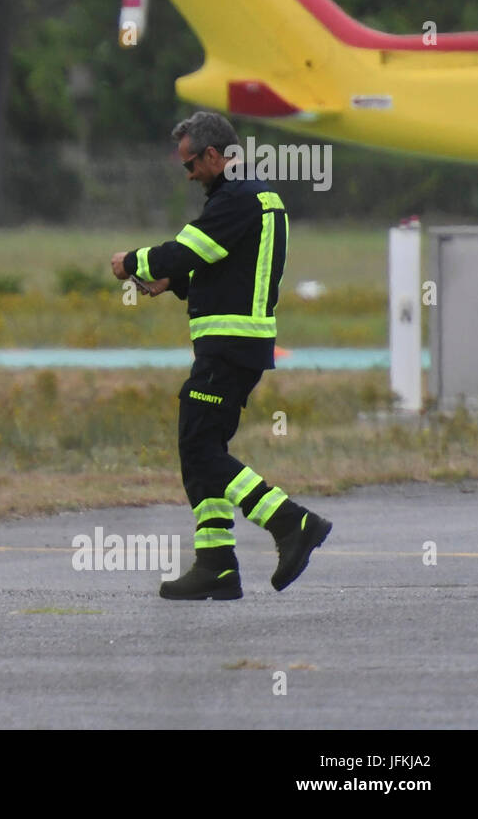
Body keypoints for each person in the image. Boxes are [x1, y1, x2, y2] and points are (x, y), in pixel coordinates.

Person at [110, 111, 331, 600]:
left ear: (214, 156)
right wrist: (176, 281)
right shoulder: (255, 195)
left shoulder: (237, 198)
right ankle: (216, 565)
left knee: (202, 449)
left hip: (229, 348)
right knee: (199, 446)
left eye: (190, 164)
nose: (188, 175)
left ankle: (290, 522)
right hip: (236, 346)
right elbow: (221, 264)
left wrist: (133, 263)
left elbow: (189, 249)